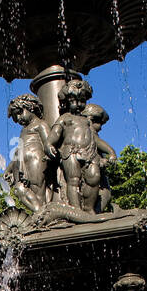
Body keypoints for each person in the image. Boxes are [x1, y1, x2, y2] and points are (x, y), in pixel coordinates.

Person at [48, 79, 101, 211]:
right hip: (70, 152)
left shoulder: (87, 121)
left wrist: (110, 152)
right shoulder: (64, 118)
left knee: (94, 177)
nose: (77, 104)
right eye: (73, 101)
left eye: (81, 100)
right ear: (66, 102)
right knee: (73, 180)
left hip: (89, 152)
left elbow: (96, 139)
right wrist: (49, 144)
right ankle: (76, 209)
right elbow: (55, 134)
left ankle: (89, 208)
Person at [6, 93, 54, 209]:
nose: (18, 119)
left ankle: (43, 213)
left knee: (37, 188)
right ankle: (39, 212)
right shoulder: (23, 131)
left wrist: (50, 152)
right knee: (18, 189)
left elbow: (48, 142)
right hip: (21, 163)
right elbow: (17, 151)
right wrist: (8, 169)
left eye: (19, 113)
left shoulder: (40, 124)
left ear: (30, 107)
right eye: (15, 117)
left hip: (36, 159)